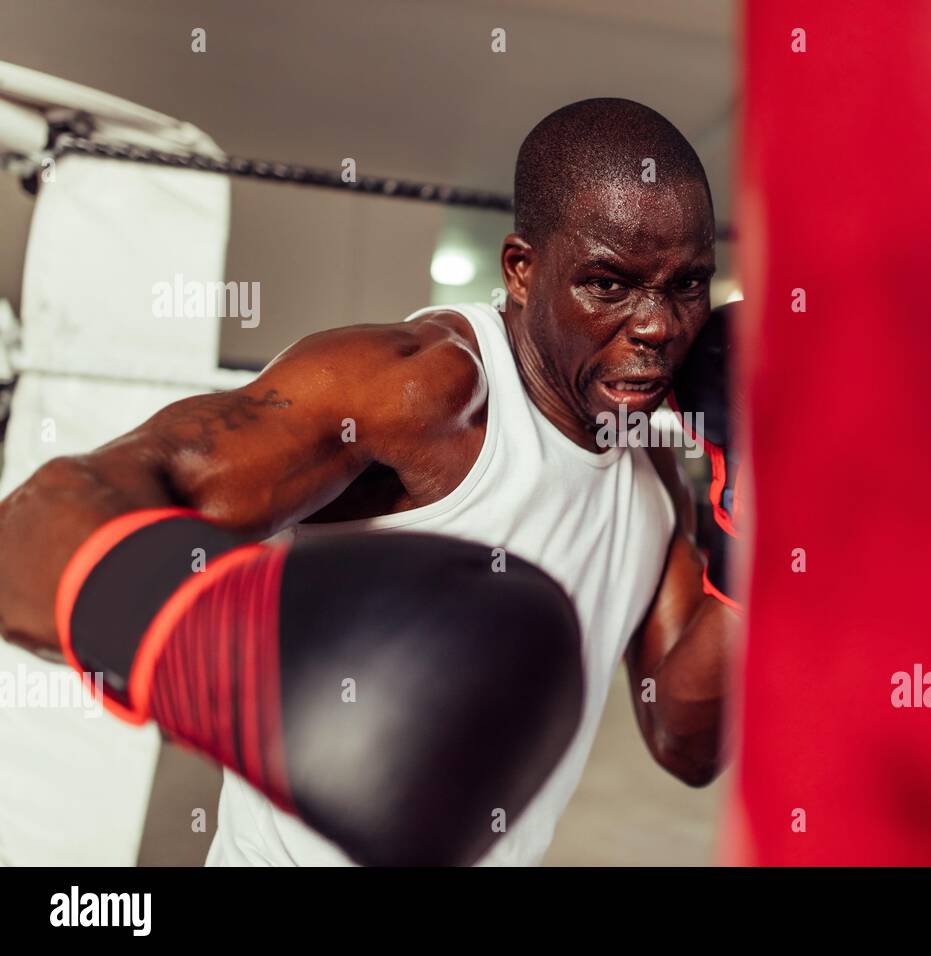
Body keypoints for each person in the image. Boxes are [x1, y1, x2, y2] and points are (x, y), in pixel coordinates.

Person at [0, 97, 739, 866]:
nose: (658, 325)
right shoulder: (416, 391)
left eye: (687, 286)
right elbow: (31, 523)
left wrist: (758, 527)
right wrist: (197, 645)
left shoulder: (649, 461)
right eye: (610, 285)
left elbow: (688, 744)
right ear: (521, 270)